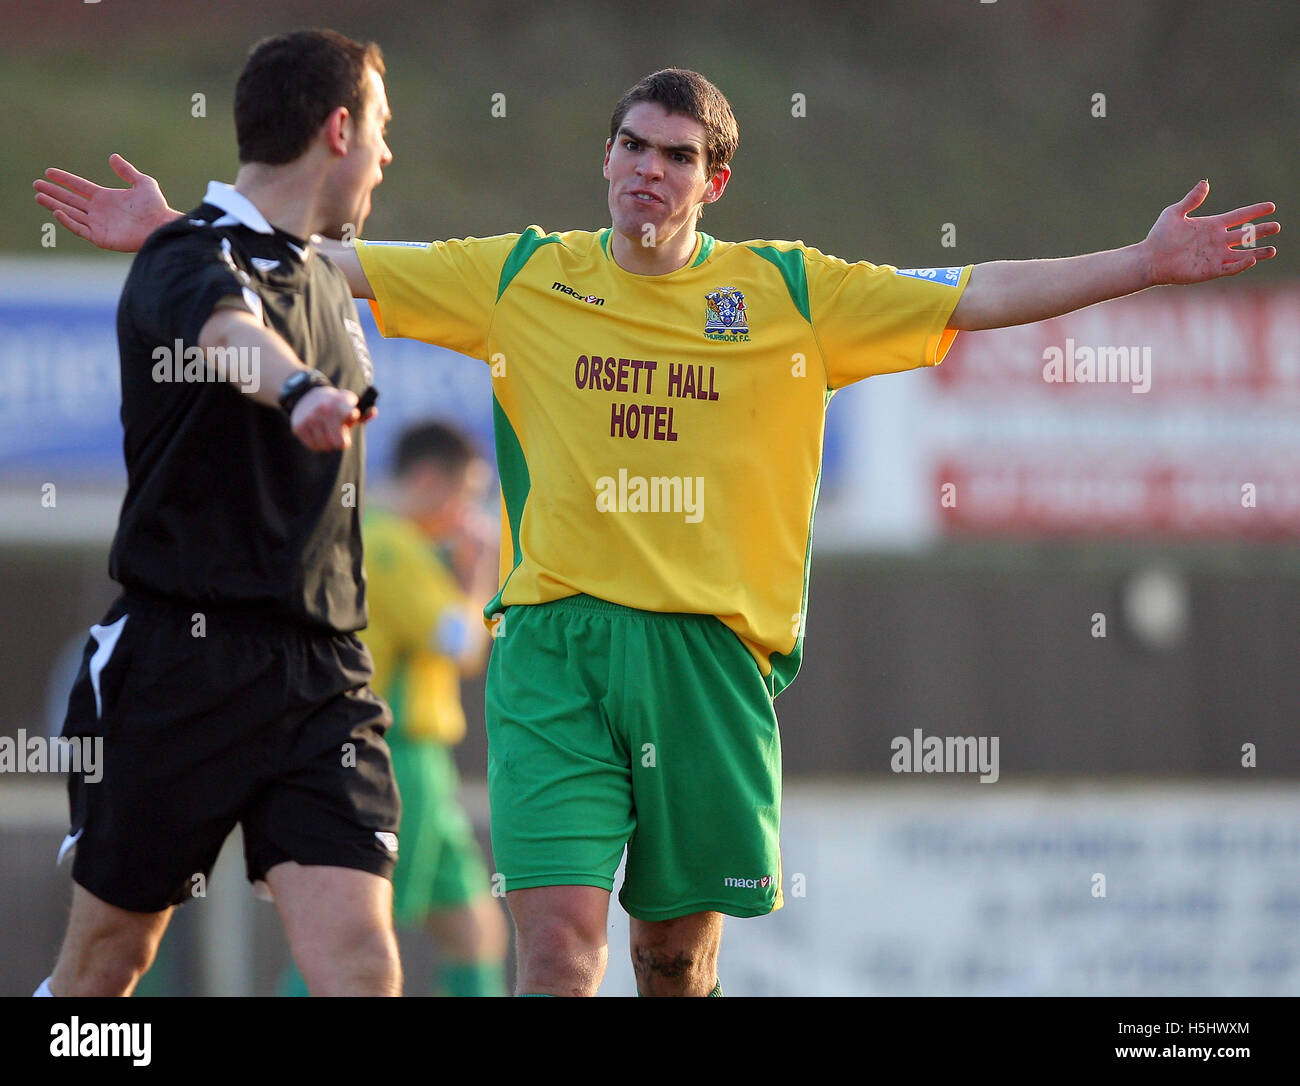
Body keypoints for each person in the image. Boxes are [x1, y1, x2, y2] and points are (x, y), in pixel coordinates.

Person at [35, 68, 1279, 997]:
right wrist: (180, 232)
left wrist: (1142, 263)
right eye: (629, 145)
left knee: (673, 958)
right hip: (554, 651)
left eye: (673, 155)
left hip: (710, 661)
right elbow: (328, 256)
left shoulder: (790, 292)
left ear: (712, 180)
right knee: (558, 946)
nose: (643, 169)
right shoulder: (523, 273)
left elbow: (980, 290)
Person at [32, 28, 401, 997]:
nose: (388, 154)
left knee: (362, 962)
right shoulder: (189, 257)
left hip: (325, 676)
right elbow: (231, 331)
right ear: (337, 128)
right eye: (381, 128)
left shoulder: (320, 270)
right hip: (180, 666)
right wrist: (297, 392)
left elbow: (259, 278)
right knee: (111, 962)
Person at [278, 421, 510, 997]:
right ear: (429, 478)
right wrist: (477, 569)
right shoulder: (392, 544)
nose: (466, 510)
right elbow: (460, 644)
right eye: (465, 492)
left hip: (417, 759)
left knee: (474, 930)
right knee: (355, 935)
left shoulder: (382, 537)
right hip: (392, 757)